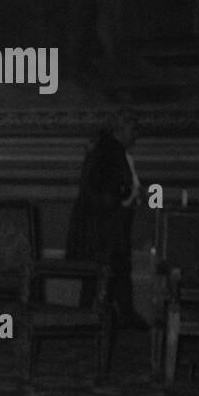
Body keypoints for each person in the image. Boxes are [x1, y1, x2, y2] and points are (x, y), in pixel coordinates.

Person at [65, 109, 144, 327]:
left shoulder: (107, 149)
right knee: (102, 279)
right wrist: (128, 193)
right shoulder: (110, 152)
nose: (136, 135)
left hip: (105, 229)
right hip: (104, 229)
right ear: (121, 129)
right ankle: (100, 324)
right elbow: (109, 191)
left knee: (103, 281)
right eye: (133, 129)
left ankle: (105, 323)